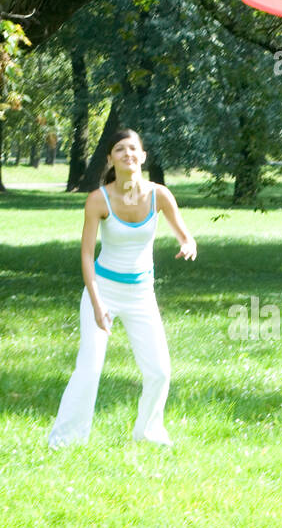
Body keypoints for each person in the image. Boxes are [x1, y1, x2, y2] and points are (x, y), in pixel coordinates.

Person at [48, 129, 197, 448]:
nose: (127, 154)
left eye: (133, 149)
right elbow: (87, 255)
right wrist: (97, 302)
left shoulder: (160, 195)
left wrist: (188, 244)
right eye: (119, 150)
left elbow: (186, 235)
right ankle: (65, 440)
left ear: (143, 156)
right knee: (89, 369)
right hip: (102, 290)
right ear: (111, 160)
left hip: (142, 294)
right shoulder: (98, 199)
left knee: (159, 371)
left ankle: (149, 432)